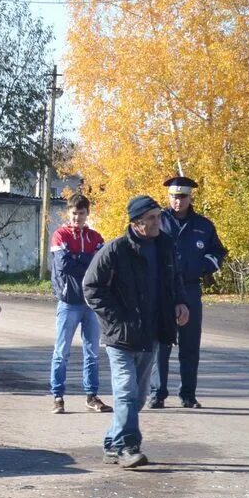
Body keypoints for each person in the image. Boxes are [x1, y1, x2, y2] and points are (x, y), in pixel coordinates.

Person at [82, 195, 188, 468]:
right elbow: (92, 288)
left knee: (138, 397)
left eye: (158, 217)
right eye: (152, 218)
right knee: (126, 392)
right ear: (137, 223)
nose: (158, 222)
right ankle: (129, 447)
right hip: (121, 338)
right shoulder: (115, 250)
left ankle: (111, 443)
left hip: (152, 333)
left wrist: (180, 302)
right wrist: (116, 320)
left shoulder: (165, 245)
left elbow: (174, 278)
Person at [149, 176, 226, 409]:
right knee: (161, 345)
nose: (177, 201)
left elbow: (218, 253)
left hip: (190, 289)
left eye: (182, 196)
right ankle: (157, 393)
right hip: (163, 290)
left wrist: (203, 267)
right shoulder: (158, 221)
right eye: (173, 196)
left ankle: (188, 394)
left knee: (190, 345)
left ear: (191, 197)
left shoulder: (203, 225)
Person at [48, 194, 110, 414]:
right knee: (61, 351)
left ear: (87, 214)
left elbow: (100, 265)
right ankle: (58, 397)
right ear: (69, 213)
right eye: (74, 213)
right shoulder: (60, 235)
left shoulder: (95, 236)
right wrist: (86, 259)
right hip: (69, 302)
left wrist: (78, 258)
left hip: (91, 303)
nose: (77, 217)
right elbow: (63, 265)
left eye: (81, 213)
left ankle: (91, 396)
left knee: (92, 352)